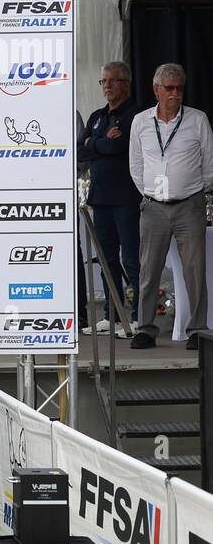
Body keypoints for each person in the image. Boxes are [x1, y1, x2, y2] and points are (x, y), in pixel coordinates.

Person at [129, 63, 213, 350]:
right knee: (148, 271)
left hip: (189, 205)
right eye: (169, 88)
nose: (175, 93)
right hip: (153, 207)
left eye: (179, 88)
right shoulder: (140, 122)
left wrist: (189, 190)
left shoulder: (197, 120)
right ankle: (146, 328)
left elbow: (209, 165)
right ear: (156, 90)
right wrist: (151, 193)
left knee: (195, 270)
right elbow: (136, 165)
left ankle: (198, 330)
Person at [78, 63, 141, 335]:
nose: (106, 86)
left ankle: (139, 315)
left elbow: (120, 146)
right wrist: (100, 141)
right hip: (100, 198)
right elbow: (80, 151)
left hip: (126, 197)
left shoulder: (136, 115)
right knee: (106, 259)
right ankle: (111, 315)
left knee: (131, 259)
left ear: (125, 83)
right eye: (103, 81)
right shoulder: (96, 116)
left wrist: (96, 143)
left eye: (112, 81)